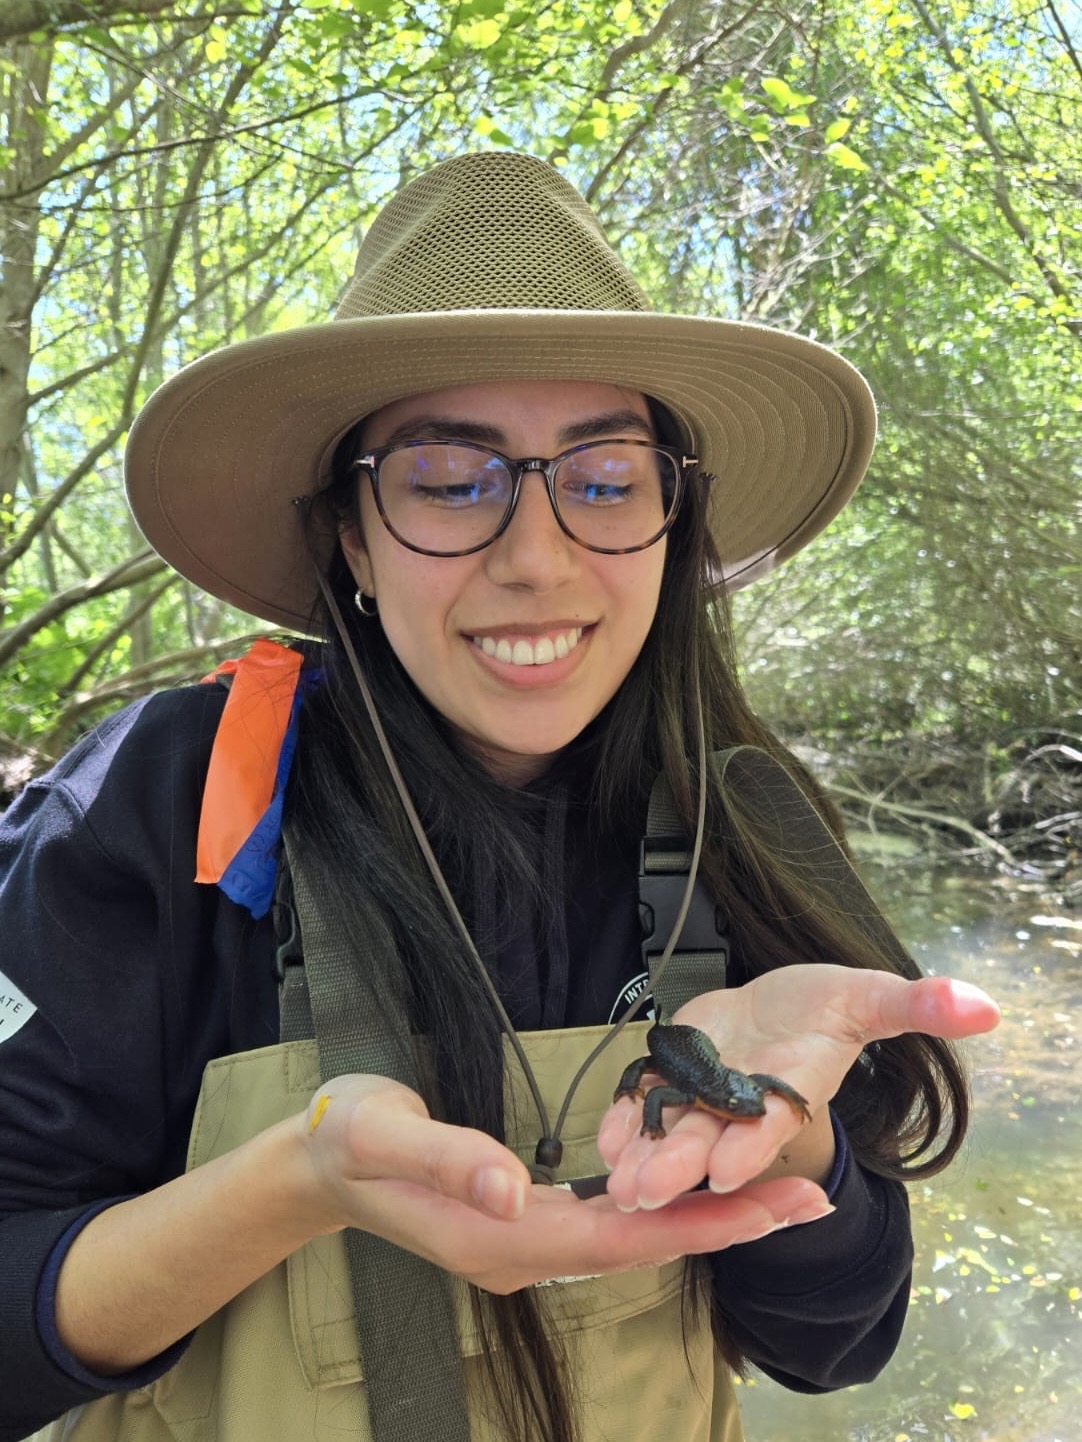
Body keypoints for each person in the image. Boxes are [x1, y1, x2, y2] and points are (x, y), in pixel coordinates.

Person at [0, 151, 998, 1442]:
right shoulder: (157, 805)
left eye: (601, 478)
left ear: (670, 520)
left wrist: (791, 1153)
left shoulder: (741, 823)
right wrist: (296, 1181)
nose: (536, 559)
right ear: (350, 538)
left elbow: (839, 1344)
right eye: (448, 478)